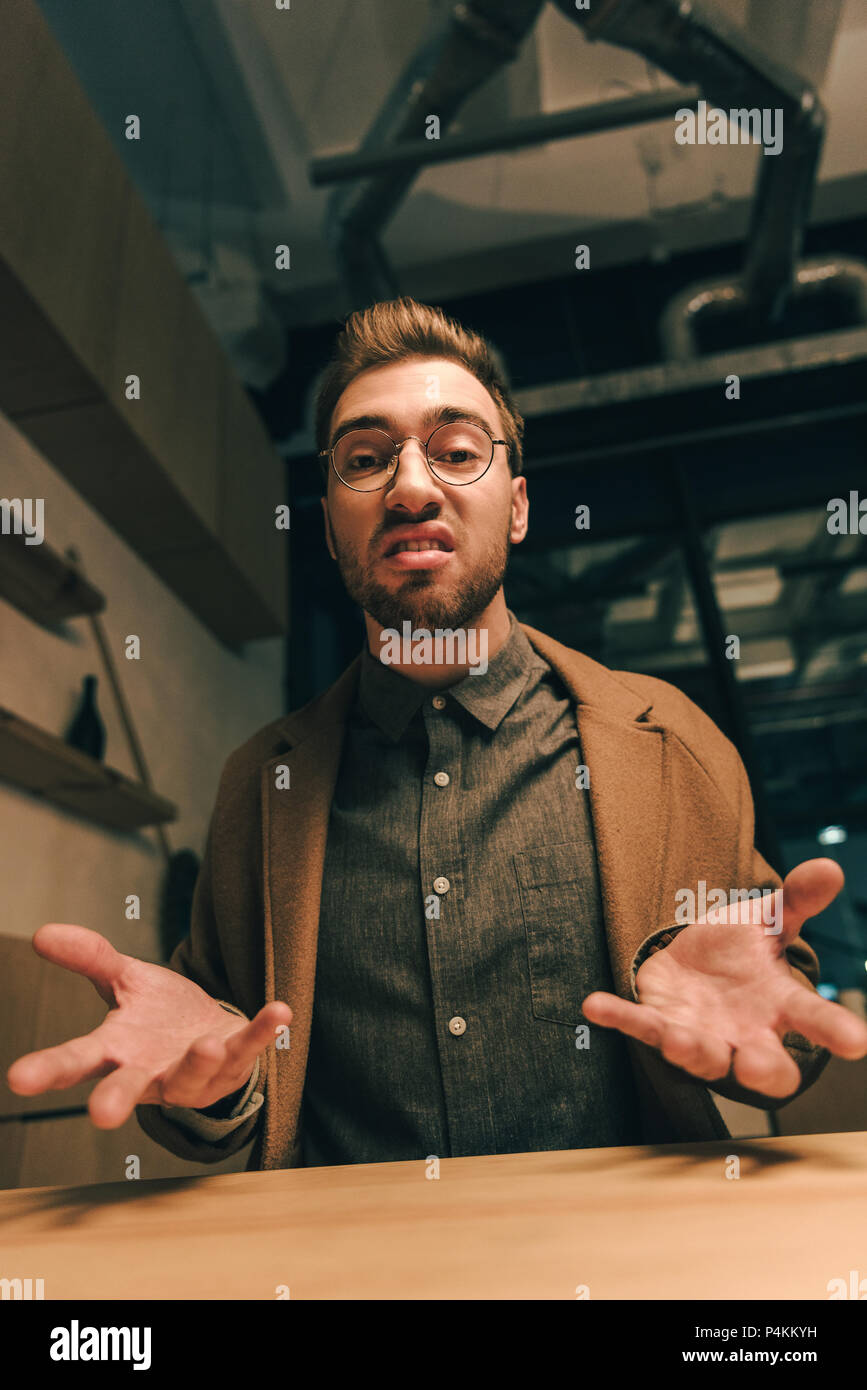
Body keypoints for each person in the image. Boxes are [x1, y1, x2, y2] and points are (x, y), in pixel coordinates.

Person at [8, 298, 867, 1171]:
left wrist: (777, 1037)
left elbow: (774, 1022)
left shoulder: (670, 741)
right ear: (332, 521)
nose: (412, 487)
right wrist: (214, 1089)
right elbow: (214, 1055)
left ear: (519, 506)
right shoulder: (258, 787)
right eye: (366, 460)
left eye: (456, 453)